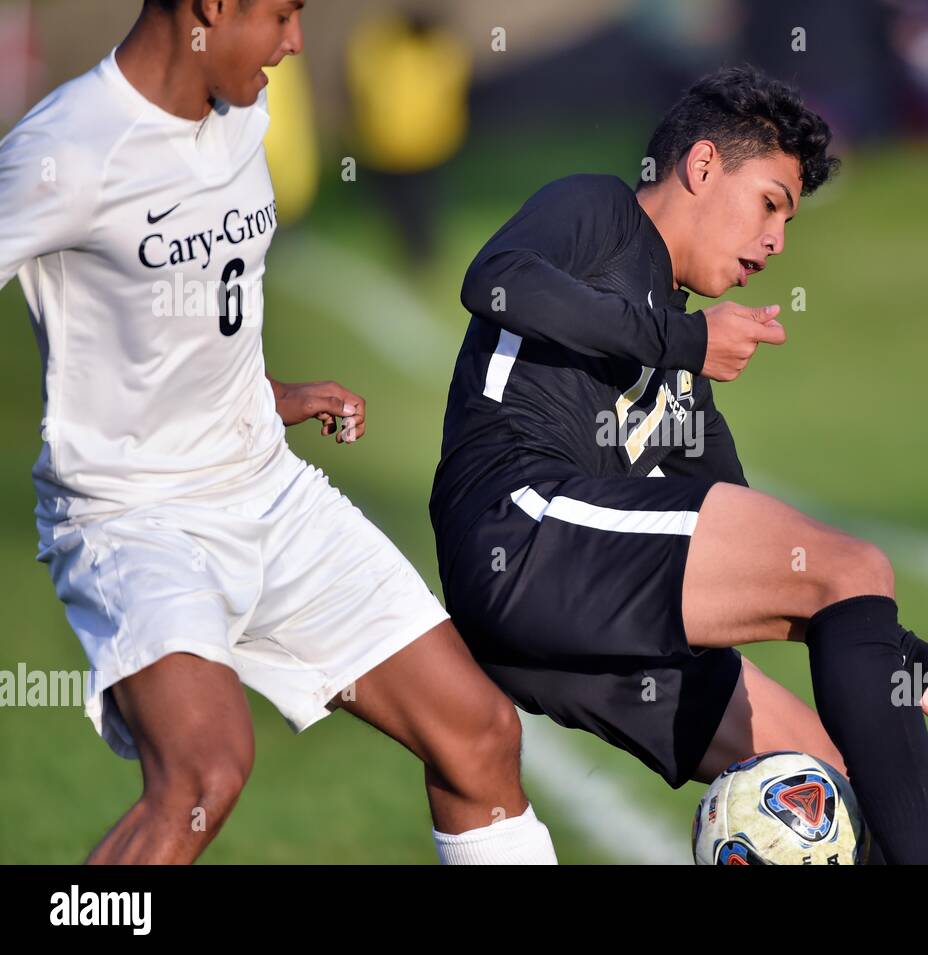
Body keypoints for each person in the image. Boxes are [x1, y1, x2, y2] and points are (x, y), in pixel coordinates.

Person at [0, 0, 555, 864]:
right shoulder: (66, 148)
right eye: (283, 14)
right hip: (137, 521)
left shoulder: (243, 113)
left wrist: (273, 393)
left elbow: (199, 319)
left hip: (270, 491)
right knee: (201, 776)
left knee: (479, 734)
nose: (297, 42)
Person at [430, 64, 928, 864]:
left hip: (570, 612)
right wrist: (687, 343)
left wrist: (909, 659)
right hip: (519, 534)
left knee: (836, 782)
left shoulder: (676, 357)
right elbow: (494, 282)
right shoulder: (597, 210)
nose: (776, 240)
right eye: (771, 203)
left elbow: (766, 560)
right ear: (703, 166)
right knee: (854, 563)